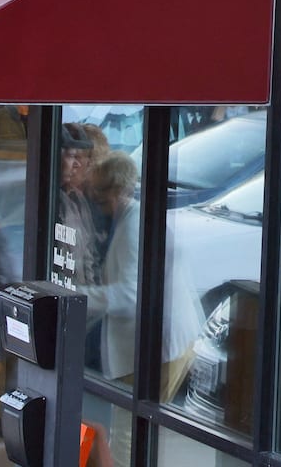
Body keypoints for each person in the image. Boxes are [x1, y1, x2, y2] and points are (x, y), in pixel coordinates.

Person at [79, 152, 201, 397]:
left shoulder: (133, 226)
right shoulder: (134, 217)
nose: (100, 207)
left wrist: (76, 295)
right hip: (161, 344)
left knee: (128, 429)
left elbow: (129, 295)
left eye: (102, 199)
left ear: (119, 191)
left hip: (155, 347)